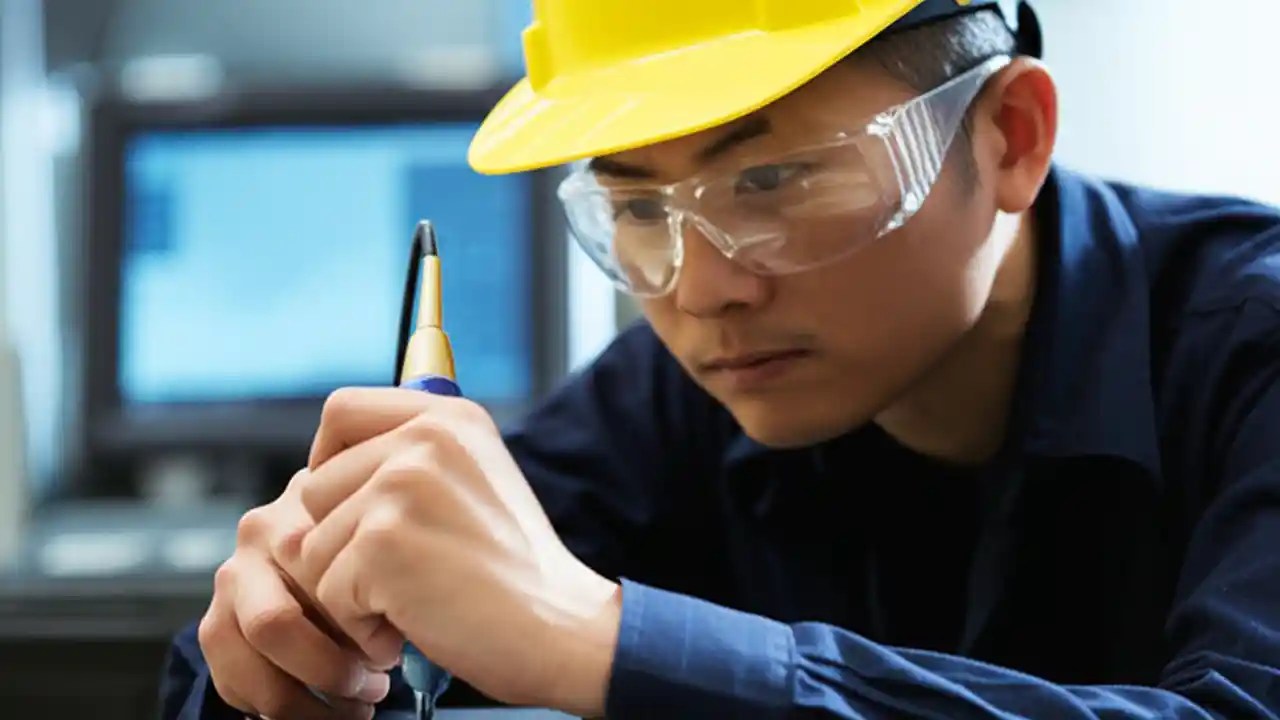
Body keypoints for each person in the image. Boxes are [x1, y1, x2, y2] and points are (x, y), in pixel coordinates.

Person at [162, 0, 1280, 717]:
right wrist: (290, 645)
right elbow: (250, 659)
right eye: (637, 207)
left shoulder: (1249, 348)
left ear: (1009, 139)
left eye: (771, 183)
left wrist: (600, 639)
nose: (700, 290)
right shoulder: (684, 395)